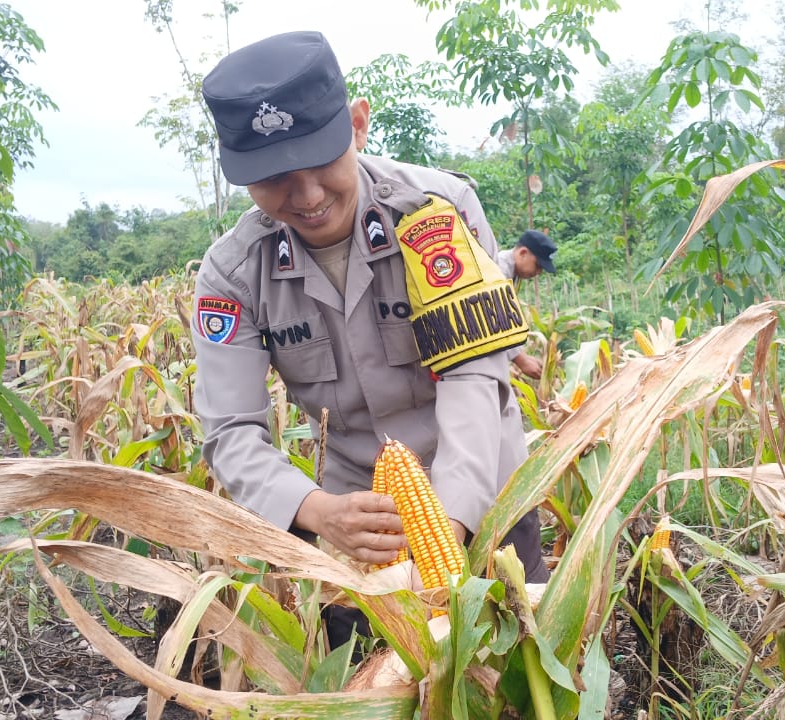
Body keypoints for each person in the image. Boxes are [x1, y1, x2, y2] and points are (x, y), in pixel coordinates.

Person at [192, 31, 550, 600]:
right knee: (370, 679)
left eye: (320, 161)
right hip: (358, 523)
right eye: (274, 178)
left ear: (357, 125)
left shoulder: (438, 212)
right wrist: (319, 512)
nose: (306, 195)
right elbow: (232, 429)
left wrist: (450, 524)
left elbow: (475, 376)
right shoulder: (232, 275)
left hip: (483, 489)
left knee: (518, 669)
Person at [496, 229, 557, 379]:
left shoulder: (513, 273)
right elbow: (496, 317)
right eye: (538, 266)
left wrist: (523, 356)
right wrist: (521, 360)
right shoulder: (498, 271)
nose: (539, 272)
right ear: (523, 253)